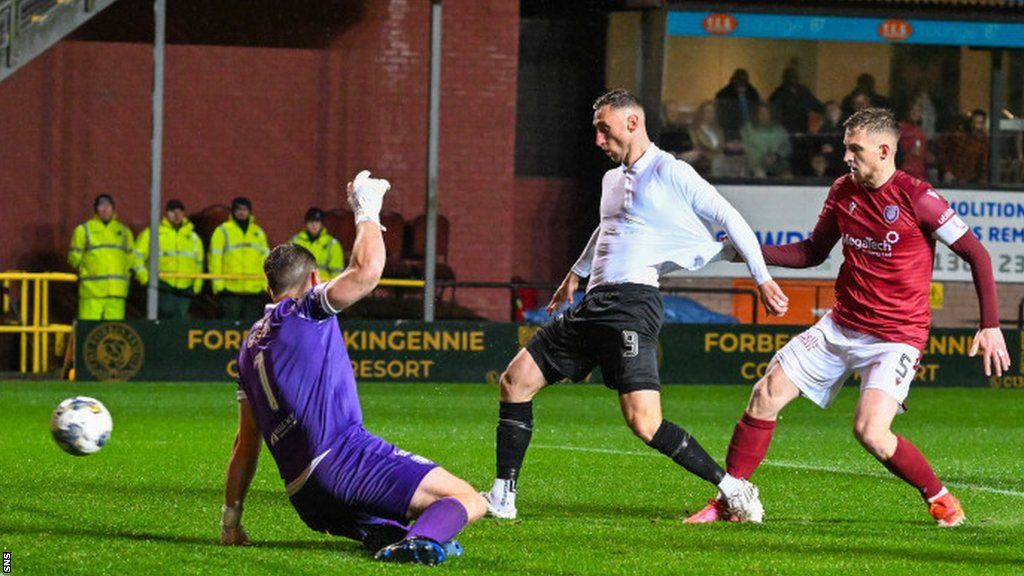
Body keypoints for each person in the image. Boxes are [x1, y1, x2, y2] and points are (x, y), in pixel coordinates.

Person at [688, 108, 1010, 526]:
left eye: (855, 149)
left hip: (896, 336)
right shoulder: (843, 190)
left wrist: (990, 324)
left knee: (871, 432)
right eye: (846, 148)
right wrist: (747, 251)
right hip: (840, 326)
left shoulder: (919, 198)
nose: (846, 157)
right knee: (765, 393)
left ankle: (940, 497)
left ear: (883, 150)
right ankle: (730, 500)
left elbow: (976, 253)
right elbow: (811, 252)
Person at [481, 89, 790, 523]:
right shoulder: (612, 181)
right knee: (515, 381)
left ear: (632, 123)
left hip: (631, 305)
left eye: (603, 129)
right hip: (593, 304)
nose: (597, 140)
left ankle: (734, 489)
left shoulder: (671, 171)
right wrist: (575, 273)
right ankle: (503, 496)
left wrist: (761, 278)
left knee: (645, 423)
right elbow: (606, 229)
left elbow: (730, 219)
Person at [221, 171, 485, 565]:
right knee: (467, 499)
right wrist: (367, 207)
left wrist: (231, 522)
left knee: (389, 524)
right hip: (344, 460)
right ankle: (422, 541)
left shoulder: (246, 350)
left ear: (267, 289)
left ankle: (389, 533)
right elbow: (366, 272)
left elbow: (246, 444)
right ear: (313, 279)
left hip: (305, 497)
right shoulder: (305, 309)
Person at [68, 194, 135, 320]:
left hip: (116, 293)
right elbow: (73, 259)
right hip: (91, 293)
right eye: (101, 206)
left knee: (113, 333)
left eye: (108, 206)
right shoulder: (83, 230)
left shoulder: (125, 232)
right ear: (96, 209)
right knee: (90, 334)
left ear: (114, 209)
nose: (105, 209)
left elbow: (131, 259)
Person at [134, 199, 204, 319]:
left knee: (180, 322)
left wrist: (196, 287)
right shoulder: (152, 233)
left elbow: (199, 264)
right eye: (172, 211)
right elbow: (137, 258)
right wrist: (146, 280)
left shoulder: (193, 237)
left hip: (185, 290)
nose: (176, 215)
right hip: (163, 287)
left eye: (179, 211)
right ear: (166, 214)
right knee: (166, 322)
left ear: (184, 214)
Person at [209, 197, 270, 321]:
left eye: (245, 209)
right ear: (232, 212)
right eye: (238, 209)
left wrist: (265, 286)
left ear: (250, 212)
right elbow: (215, 259)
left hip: (254, 291)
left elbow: (266, 260)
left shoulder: (258, 232)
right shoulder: (223, 231)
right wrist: (219, 286)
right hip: (230, 290)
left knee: (251, 331)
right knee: (230, 328)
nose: (241, 212)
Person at [290, 207, 345, 280]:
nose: (314, 225)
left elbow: (337, 273)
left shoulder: (332, 244)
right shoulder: (296, 241)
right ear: (306, 223)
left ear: (322, 224)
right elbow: (288, 267)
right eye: (311, 222)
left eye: (317, 222)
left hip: (323, 286)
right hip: (301, 285)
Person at [741, 103, 792, 178]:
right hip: (755, 163)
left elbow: (787, 145)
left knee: (788, 177)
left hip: (778, 162)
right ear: (756, 114)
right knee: (760, 175)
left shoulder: (779, 129)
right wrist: (762, 158)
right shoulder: (747, 129)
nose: (764, 115)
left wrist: (777, 155)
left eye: (767, 113)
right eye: (761, 113)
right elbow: (746, 146)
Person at [940, 109, 989, 185]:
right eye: (973, 122)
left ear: (983, 124)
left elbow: (983, 164)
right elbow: (944, 153)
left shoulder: (983, 140)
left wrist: (982, 182)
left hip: (972, 182)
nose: (975, 126)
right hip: (953, 179)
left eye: (979, 123)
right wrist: (947, 171)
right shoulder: (958, 136)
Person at [715, 68, 762, 141]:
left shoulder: (752, 93)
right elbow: (721, 114)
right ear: (734, 80)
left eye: (744, 81)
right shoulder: (724, 94)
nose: (741, 83)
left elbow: (756, 110)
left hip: (750, 127)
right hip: (730, 128)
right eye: (739, 80)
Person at [898, 104, 929, 180]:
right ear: (908, 112)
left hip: (919, 172)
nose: (915, 113)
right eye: (913, 111)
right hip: (904, 171)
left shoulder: (920, 131)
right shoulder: (900, 129)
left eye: (918, 111)